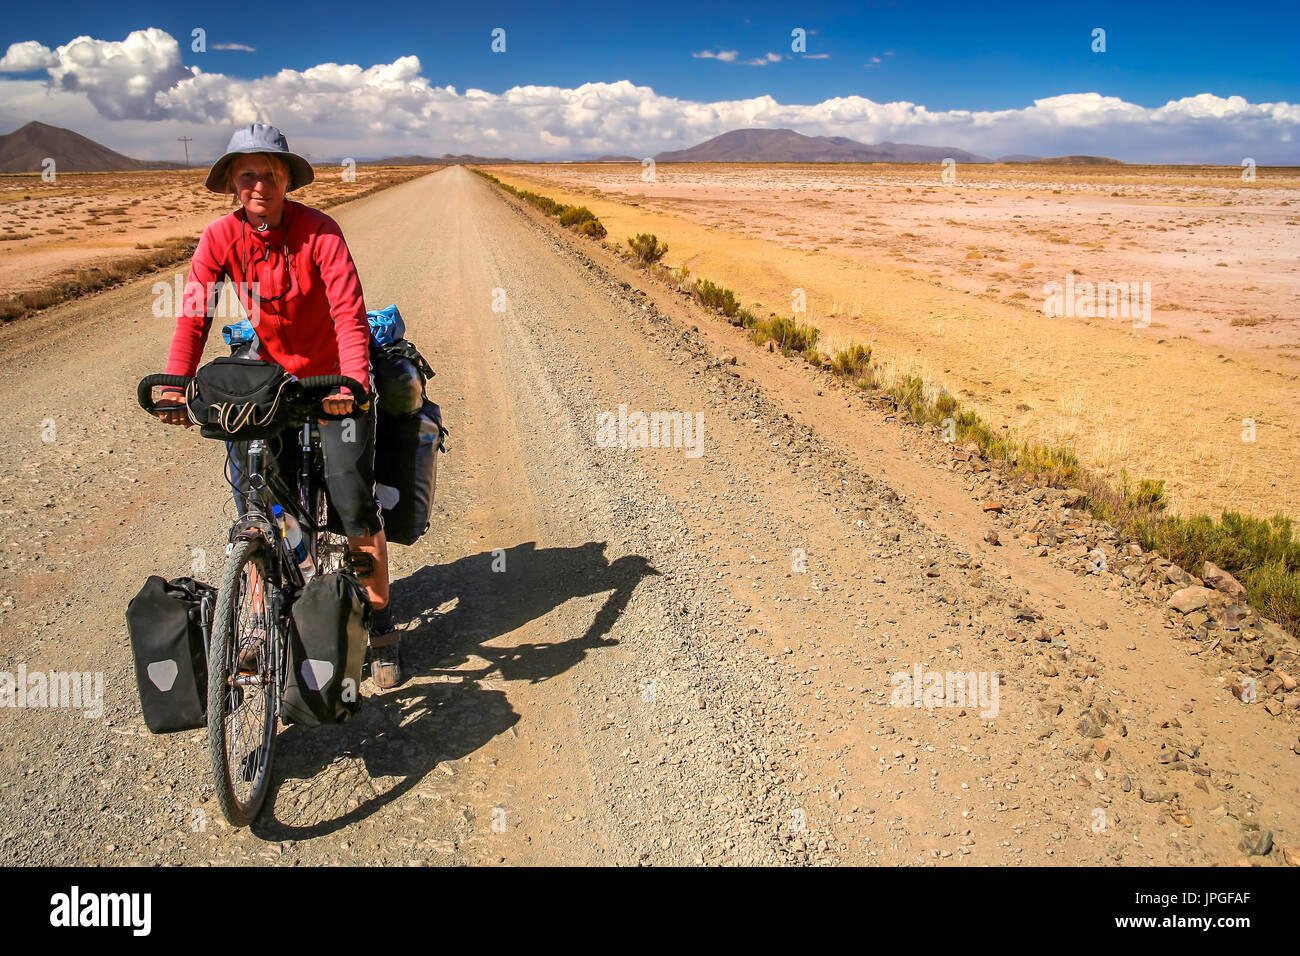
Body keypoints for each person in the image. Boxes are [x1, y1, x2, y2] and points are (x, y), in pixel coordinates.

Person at [153, 123, 403, 688]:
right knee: (262, 505)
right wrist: (175, 384)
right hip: (274, 385)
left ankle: (382, 623)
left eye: (271, 173)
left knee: (351, 502)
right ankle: (264, 625)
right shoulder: (219, 238)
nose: (260, 184)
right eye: (248, 175)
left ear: (288, 179)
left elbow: (347, 312)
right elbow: (194, 313)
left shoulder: (320, 231)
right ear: (233, 184)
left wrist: (352, 386)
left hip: (336, 381)